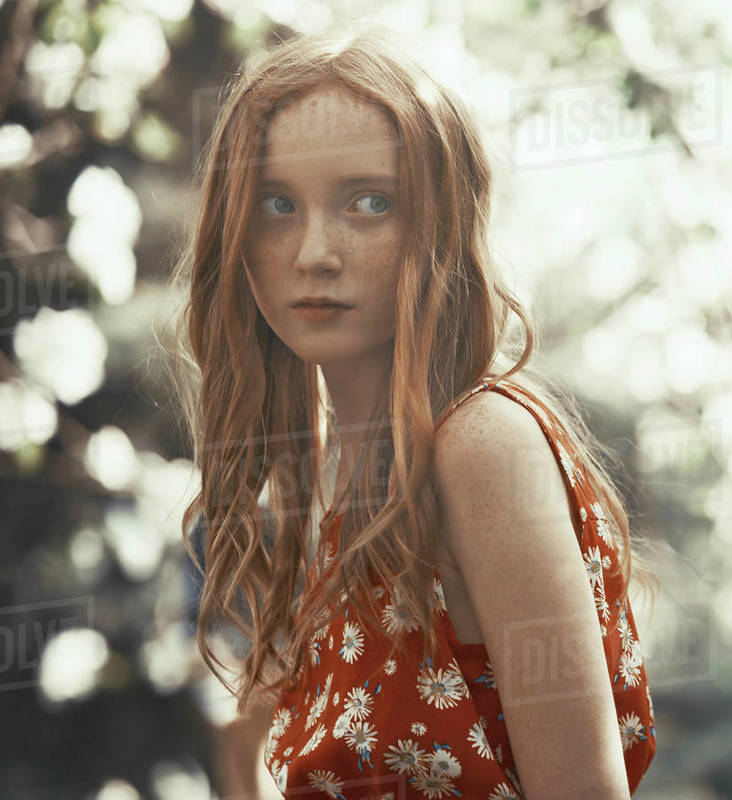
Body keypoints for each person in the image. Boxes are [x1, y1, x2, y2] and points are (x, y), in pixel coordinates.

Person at [162, 23, 660, 799]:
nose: (314, 252)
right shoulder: (322, 479)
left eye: (369, 203)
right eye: (277, 204)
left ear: (437, 226)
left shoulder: (482, 444)